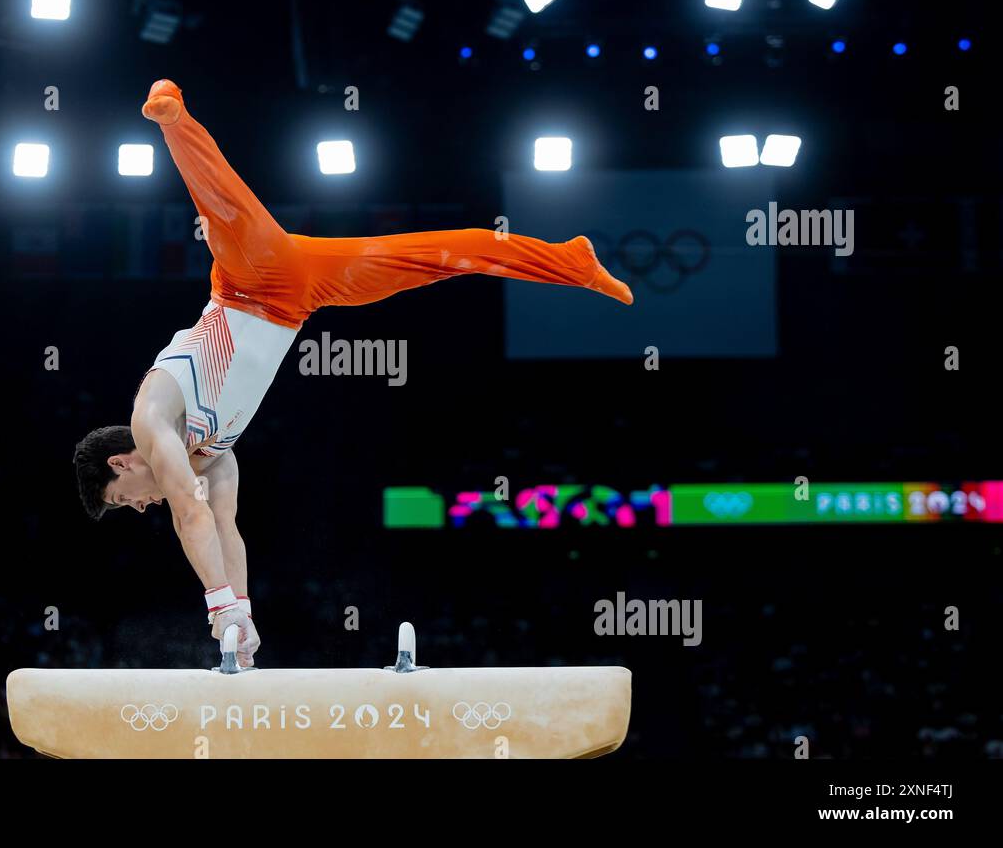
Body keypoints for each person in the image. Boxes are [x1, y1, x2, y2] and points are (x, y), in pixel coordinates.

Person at [73, 79, 634, 666]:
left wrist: (219, 609)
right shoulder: (212, 456)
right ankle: (571, 261)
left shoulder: (151, 419)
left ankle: (171, 117)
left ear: (123, 462)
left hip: (248, 282)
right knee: (431, 258)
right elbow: (224, 528)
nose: (141, 508)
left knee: (223, 204)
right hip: (300, 294)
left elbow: (189, 512)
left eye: (125, 500)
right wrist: (242, 611)